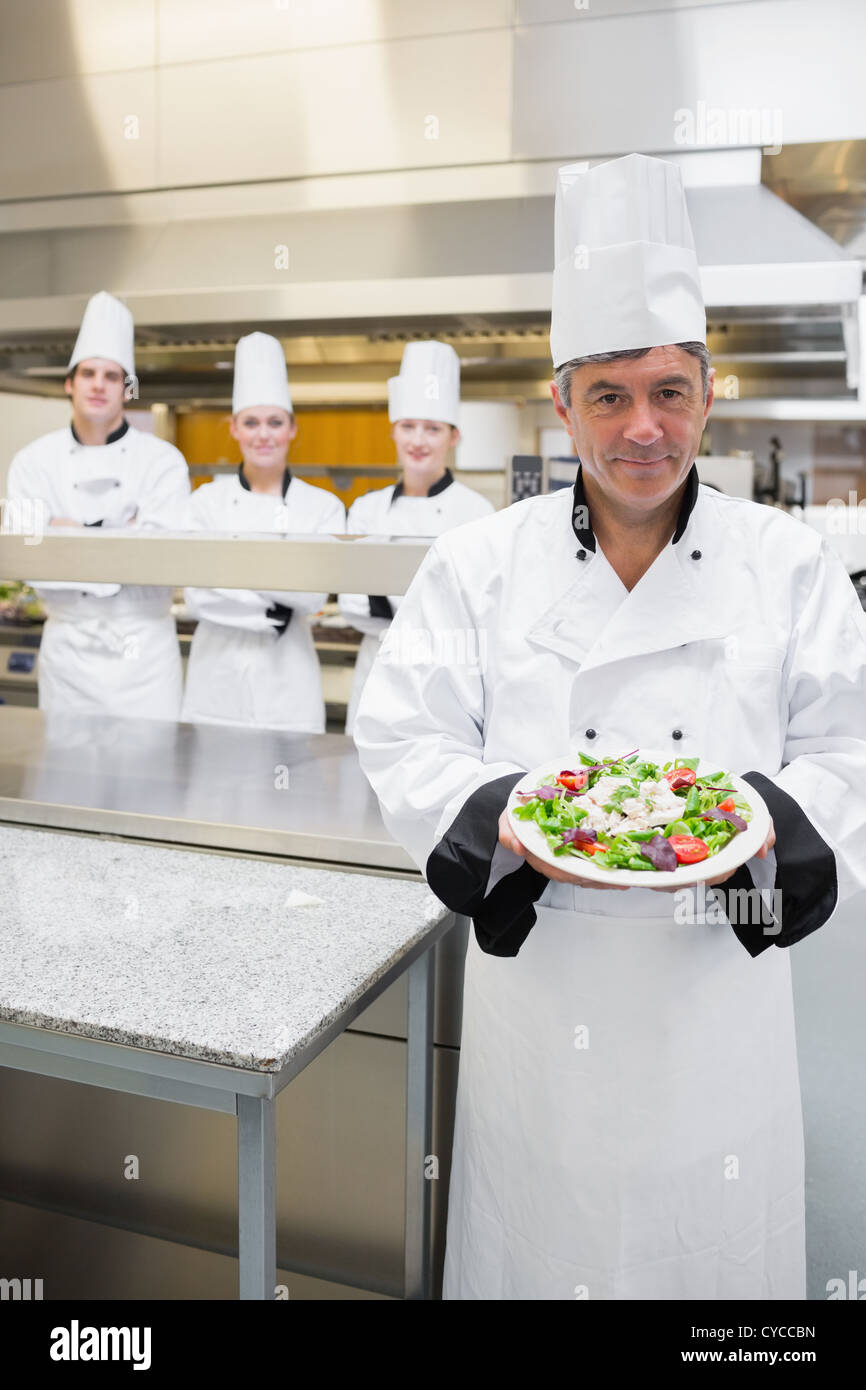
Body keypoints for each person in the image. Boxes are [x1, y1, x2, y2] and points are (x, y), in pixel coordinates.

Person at [354, 153, 866, 1300]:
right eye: (609, 395)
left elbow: (851, 746)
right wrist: (495, 813)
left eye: (667, 391)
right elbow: (399, 734)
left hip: (715, 999)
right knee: (543, 1256)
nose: (643, 428)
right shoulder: (478, 564)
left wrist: (778, 822)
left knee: (711, 1271)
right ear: (562, 402)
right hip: (547, 1006)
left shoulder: (787, 565)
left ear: (708, 391)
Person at [5, 291, 190, 719]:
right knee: (63, 782)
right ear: (70, 383)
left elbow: (160, 559)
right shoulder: (30, 462)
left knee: (149, 779)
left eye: (112, 375)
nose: (98, 384)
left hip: (143, 653)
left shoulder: (164, 462)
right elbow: (25, 559)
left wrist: (65, 530)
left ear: (127, 389)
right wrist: (121, 531)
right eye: (88, 373)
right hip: (68, 652)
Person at [180, 332, 345, 732]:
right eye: (251, 422)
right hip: (215, 679)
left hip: (288, 678)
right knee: (209, 790)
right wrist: (277, 598)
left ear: (292, 429)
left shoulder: (323, 507)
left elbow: (312, 595)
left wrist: (233, 576)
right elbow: (198, 595)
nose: (263, 434)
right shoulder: (204, 502)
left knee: (288, 787)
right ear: (234, 428)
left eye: (274, 422)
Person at [338, 341, 494, 735]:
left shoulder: (477, 512)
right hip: (377, 668)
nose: (418, 440)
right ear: (393, 431)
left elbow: (476, 612)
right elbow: (352, 602)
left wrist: (384, 600)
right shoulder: (366, 509)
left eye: (432, 428)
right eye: (408, 426)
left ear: (453, 436)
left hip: (447, 677)